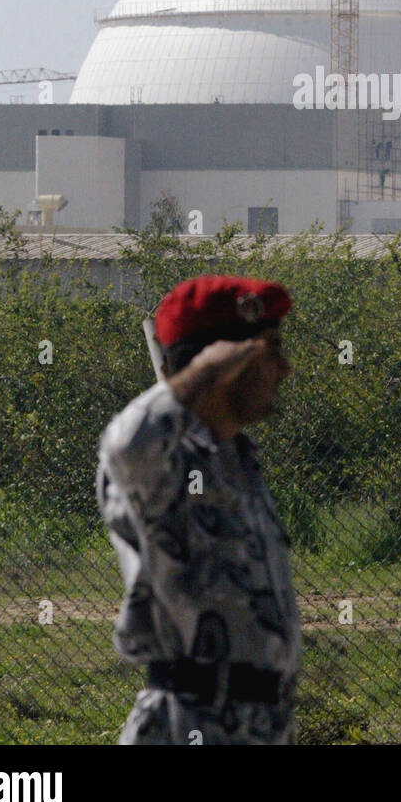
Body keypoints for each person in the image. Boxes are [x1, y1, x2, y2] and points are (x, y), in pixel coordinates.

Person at [97, 274, 301, 745]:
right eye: (271, 351)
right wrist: (202, 373)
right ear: (229, 360)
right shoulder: (162, 468)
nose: (284, 369)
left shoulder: (237, 464)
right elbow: (126, 445)